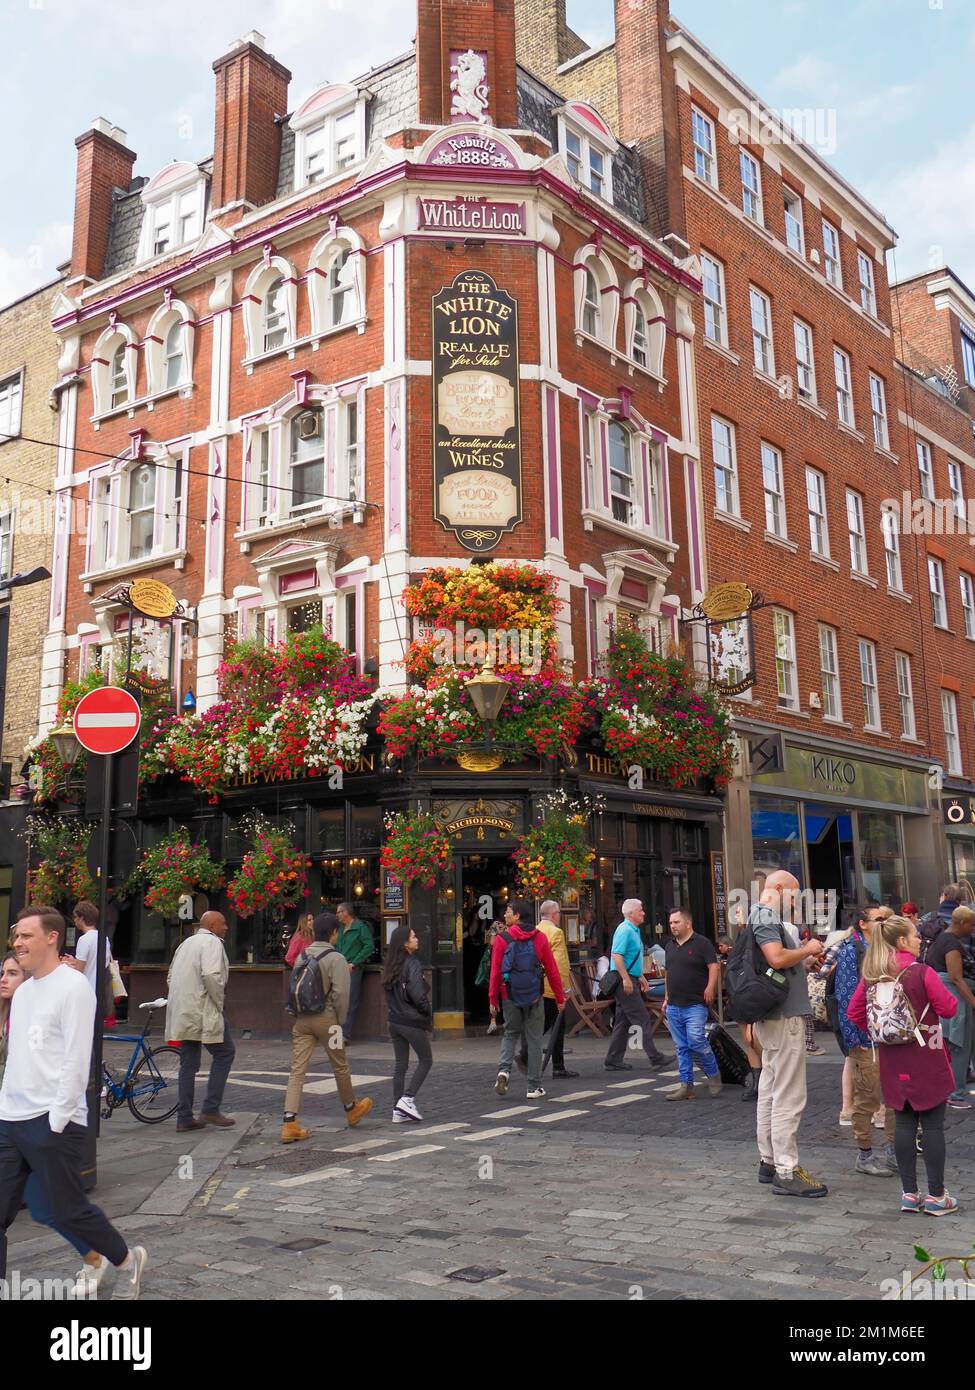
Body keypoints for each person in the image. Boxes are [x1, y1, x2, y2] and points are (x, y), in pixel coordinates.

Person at [0, 906, 147, 1296]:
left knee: (67, 1210)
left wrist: (57, 1119)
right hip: (10, 1119)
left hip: (52, 1120)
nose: (16, 942)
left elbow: (77, 1058)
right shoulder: (26, 991)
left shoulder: (73, 987)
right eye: (16, 935)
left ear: (52, 937)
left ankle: (126, 1260)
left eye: (25, 936)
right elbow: (18, 1057)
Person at [847, 914, 960, 1215]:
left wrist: (884, 1031)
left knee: (905, 1122)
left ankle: (910, 1194)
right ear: (901, 941)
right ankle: (937, 1196)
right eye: (914, 935)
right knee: (933, 1125)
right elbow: (948, 1009)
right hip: (927, 1055)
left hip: (891, 1058)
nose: (920, 938)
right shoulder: (921, 972)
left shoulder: (873, 974)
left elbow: (854, 1012)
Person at [750, 870, 828, 1198]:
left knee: (770, 1087)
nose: (796, 903)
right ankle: (786, 1167)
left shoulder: (758, 916)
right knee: (789, 1094)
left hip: (772, 1016)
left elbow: (780, 963)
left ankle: (769, 1161)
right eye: (795, 896)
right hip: (785, 1017)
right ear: (779, 889)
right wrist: (807, 947)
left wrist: (804, 961)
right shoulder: (766, 916)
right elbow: (776, 958)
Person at [282, 912, 372, 1141]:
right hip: (327, 1020)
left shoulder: (303, 955)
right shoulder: (337, 958)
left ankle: (289, 1122)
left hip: (302, 1020)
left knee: (297, 1069)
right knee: (340, 1065)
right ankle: (351, 1109)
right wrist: (339, 1022)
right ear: (334, 932)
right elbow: (342, 994)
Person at [830, 906, 897, 1176]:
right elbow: (846, 998)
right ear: (863, 924)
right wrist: (855, 1038)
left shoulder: (883, 948)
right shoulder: (851, 951)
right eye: (878, 919)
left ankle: (893, 1151)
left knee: (893, 1097)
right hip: (865, 1037)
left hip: (887, 1035)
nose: (884, 923)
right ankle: (865, 1154)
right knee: (867, 1099)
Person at [166, 911, 236, 1133]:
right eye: (223, 923)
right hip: (203, 1009)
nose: (226, 927)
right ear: (213, 925)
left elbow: (170, 977)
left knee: (188, 1063)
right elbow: (212, 976)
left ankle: (184, 1117)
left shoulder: (185, 944)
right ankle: (210, 1108)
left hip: (183, 1010)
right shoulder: (212, 943)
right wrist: (219, 1002)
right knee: (225, 1052)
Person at [488, 898, 565, 1100]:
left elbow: (495, 971)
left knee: (510, 1033)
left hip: (509, 994)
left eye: (508, 911)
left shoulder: (503, 939)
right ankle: (533, 1086)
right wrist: (559, 997)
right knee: (534, 1039)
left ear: (517, 916)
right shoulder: (539, 938)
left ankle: (504, 1071)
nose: (505, 914)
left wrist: (492, 998)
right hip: (534, 995)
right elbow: (552, 970)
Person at [662, 907, 722, 1100]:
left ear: (688, 923)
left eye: (676, 922)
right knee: (681, 1047)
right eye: (671, 923)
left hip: (695, 1003)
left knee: (696, 1038)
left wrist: (710, 987)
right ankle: (686, 1085)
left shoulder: (702, 943)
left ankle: (713, 1074)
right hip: (674, 1005)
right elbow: (668, 974)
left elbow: (714, 966)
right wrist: (666, 997)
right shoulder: (669, 945)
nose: (672, 926)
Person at [604, 899, 669, 1074]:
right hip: (624, 980)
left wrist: (639, 976)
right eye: (640, 910)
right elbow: (616, 956)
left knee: (623, 1021)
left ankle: (613, 1059)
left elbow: (629, 957)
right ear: (631, 913)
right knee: (642, 1018)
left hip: (629, 978)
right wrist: (626, 979)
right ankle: (655, 1057)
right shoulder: (625, 930)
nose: (643, 913)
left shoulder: (632, 930)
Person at [518, 900, 578, 1080]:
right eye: (558, 913)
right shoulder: (556, 933)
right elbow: (559, 964)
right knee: (554, 1025)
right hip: (551, 988)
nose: (559, 916)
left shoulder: (534, 931)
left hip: (535, 986)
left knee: (549, 1025)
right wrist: (565, 989)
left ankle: (554, 1064)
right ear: (553, 915)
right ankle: (539, 1059)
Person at [925, 905, 975, 1110]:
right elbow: (956, 977)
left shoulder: (943, 939)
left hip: (951, 997)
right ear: (961, 923)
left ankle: (953, 1090)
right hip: (957, 999)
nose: (973, 928)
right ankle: (955, 1093)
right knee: (959, 1045)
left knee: (957, 1045)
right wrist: (973, 1001)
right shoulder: (951, 943)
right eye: (972, 924)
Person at [383, 924, 433, 1122]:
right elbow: (417, 994)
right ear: (404, 943)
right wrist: (426, 1011)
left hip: (394, 1021)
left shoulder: (390, 965)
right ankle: (408, 1098)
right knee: (426, 1060)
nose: (417, 939)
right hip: (410, 1021)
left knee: (400, 1065)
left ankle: (397, 1109)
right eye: (413, 937)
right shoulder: (412, 964)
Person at [69, 899, 114, 1025]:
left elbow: (79, 971)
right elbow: (99, 962)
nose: (75, 920)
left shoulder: (84, 940)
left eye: (76, 917)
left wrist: (68, 965)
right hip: (99, 991)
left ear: (82, 918)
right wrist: (75, 961)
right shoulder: (103, 938)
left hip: (87, 991)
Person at [335, 902, 374, 1043]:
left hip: (353, 969)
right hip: (339, 968)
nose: (337, 915)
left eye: (339, 912)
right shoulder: (340, 929)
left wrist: (355, 962)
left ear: (347, 913)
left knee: (350, 1001)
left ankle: (346, 1035)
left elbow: (369, 946)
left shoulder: (360, 927)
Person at [918, 883, 965, 961]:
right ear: (960, 901)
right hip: (959, 967)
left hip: (932, 968)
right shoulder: (967, 922)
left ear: (944, 896)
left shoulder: (928, 918)